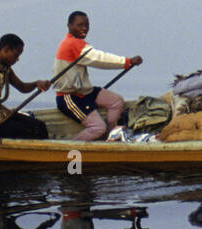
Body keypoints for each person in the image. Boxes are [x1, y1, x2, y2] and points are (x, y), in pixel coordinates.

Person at [53, 11, 143, 142]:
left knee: (116, 101)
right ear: (69, 26)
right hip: (70, 96)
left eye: (87, 25)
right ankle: (70, 148)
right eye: (79, 25)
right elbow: (99, 59)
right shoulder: (72, 44)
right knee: (97, 128)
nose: (84, 28)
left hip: (84, 91)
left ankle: (112, 135)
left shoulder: (77, 42)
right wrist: (127, 62)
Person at [0, 33, 51, 141]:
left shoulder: (4, 68)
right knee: (34, 132)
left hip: (1, 116)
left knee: (40, 126)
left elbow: (22, 87)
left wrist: (37, 83)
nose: (17, 60)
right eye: (16, 55)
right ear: (6, 50)